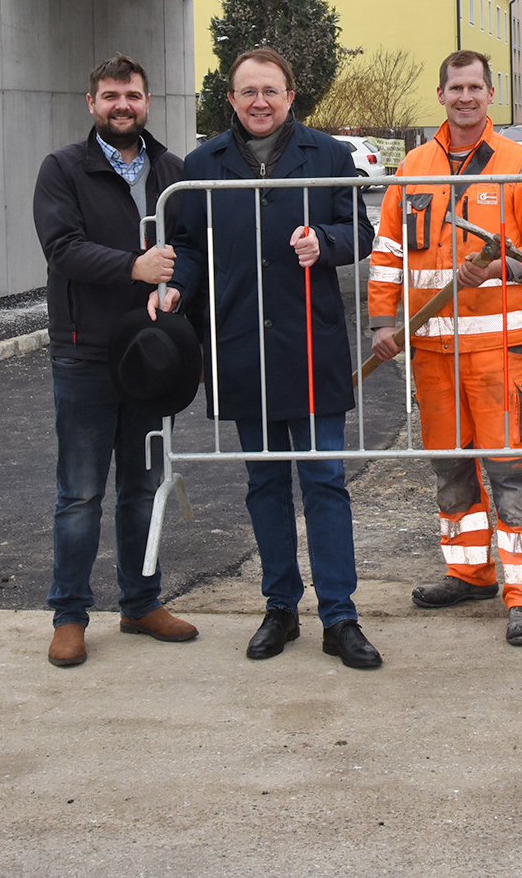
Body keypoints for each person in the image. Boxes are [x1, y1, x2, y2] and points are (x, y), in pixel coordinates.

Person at [159, 47, 382, 670]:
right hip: (240, 345)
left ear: (291, 97)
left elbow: (360, 231)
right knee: (264, 483)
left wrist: (328, 243)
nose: (260, 102)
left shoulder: (329, 156)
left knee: (324, 482)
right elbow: (187, 245)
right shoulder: (202, 165)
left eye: (272, 91)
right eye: (248, 91)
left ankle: (340, 616)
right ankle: (280, 606)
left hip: (311, 344)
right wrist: (178, 286)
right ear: (230, 99)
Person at [369, 50, 522, 647]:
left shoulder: (521, 166)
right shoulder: (415, 170)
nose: (466, 97)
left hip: (501, 354)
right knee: (451, 472)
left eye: (476, 87)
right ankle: (469, 573)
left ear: (490, 93)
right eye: (456, 87)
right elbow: (389, 252)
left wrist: (501, 266)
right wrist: (382, 319)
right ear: (441, 93)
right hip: (430, 354)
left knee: (510, 473)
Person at [31, 53, 199, 668]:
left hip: (152, 357)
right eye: (109, 96)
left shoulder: (170, 169)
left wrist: (179, 285)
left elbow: (188, 247)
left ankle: (141, 603)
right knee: (79, 493)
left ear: (146, 101)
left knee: (144, 485)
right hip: (86, 352)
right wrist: (134, 265)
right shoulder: (63, 170)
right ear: (91, 103)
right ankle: (69, 615)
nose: (121, 105)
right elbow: (62, 249)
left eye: (131, 95)